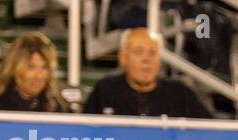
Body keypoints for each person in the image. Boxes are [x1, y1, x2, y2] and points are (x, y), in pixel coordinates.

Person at [83, 28, 212, 118]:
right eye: (139, 52)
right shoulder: (105, 90)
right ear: (123, 58)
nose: (146, 60)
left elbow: (210, 131)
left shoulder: (180, 93)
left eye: (152, 53)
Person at [0, 33, 70, 112]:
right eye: (31, 67)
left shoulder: (57, 108)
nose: (39, 76)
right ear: (15, 68)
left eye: (45, 67)